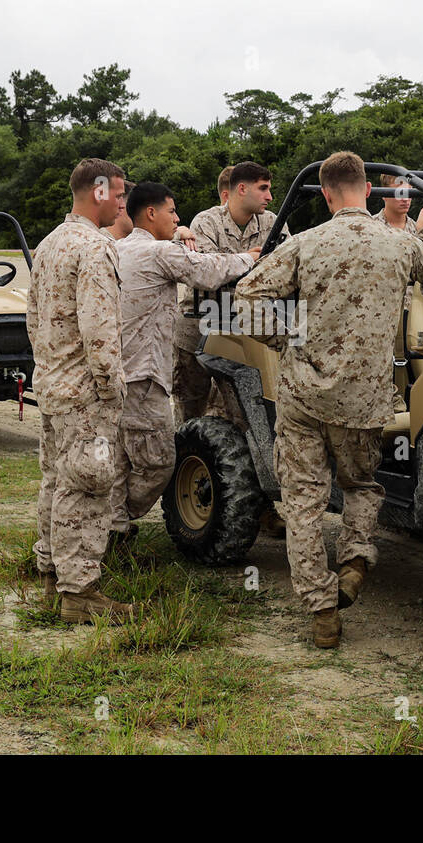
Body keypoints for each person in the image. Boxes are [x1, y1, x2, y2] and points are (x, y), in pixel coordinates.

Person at [235, 151, 423, 649]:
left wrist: (287, 340)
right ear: (368, 192)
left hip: (303, 396)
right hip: (365, 399)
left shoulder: (308, 243)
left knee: (304, 502)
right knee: (360, 485)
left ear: (328, 195)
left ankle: (322, 611)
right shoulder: (400, 244)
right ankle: (355, 562)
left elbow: (246, 297)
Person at [109, 182, 258, 541]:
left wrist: (179, 230)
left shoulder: (118, 248)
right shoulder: (159, 253)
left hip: (118, 371)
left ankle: (111, 526)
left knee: (120, 458)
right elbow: (207, 270)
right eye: (173, 211)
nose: (178, 218)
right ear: (151, 213)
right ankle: (111, 520)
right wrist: (250, 257)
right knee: (160, 462)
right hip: (144, 376)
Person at [27, 157, 137, 623]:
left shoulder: (51, 243)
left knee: (56, 478)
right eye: (119, 193)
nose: (122, 203)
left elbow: (33, 319)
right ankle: (80, 591)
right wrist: (112, 387)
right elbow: (100, 329)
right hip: (86, 393)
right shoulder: (95, 247)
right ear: (98, 192)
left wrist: (50, 368)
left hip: (53, 384)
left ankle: (52, 573)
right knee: (89, 487)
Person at [173, 162, 279, 424]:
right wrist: (249, 259)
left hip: (244, 336)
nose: (270, 196)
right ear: (241, 189)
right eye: (263, 188)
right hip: (197, 329)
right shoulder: (207, 222)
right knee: (190, 409)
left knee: (241, 412)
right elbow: (207, 274)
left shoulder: (272, 222)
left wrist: (234, 263)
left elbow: (281, 270)